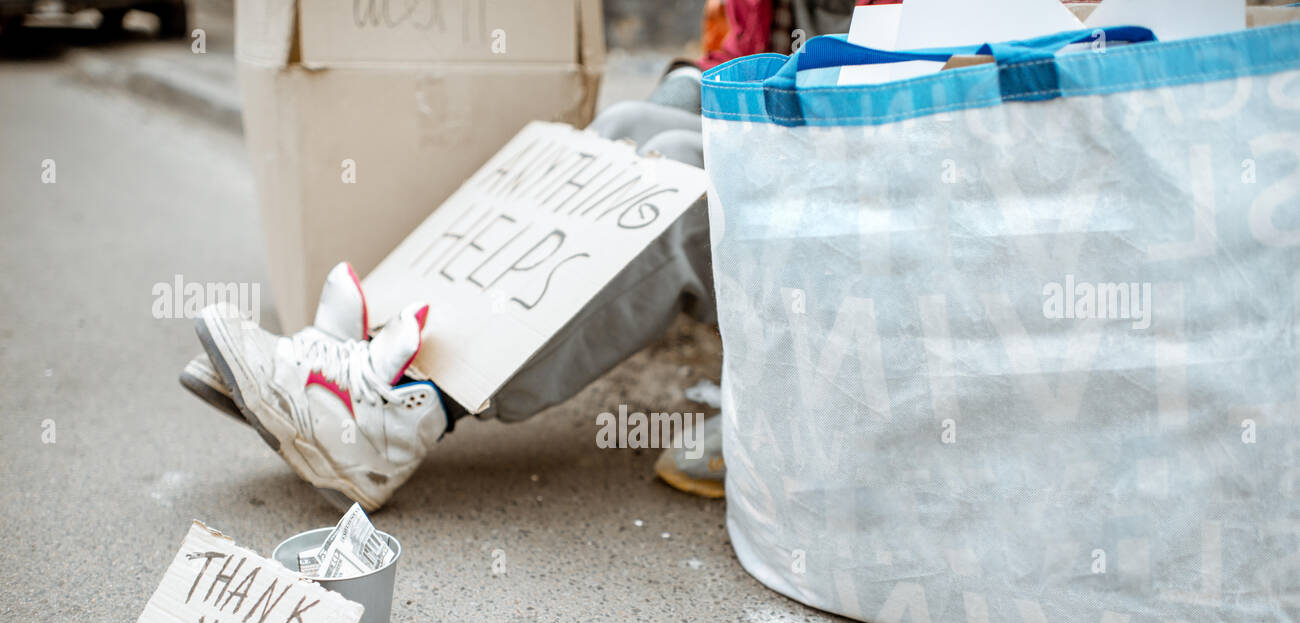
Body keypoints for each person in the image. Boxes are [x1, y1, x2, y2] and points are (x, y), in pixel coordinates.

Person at [181, 1, 890, 510]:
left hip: (881, 205)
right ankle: (371, 357)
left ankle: (401, 415)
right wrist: (617, 156)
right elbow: (729, 55)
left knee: (683, 188)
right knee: (624, 131)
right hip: (793, 130)